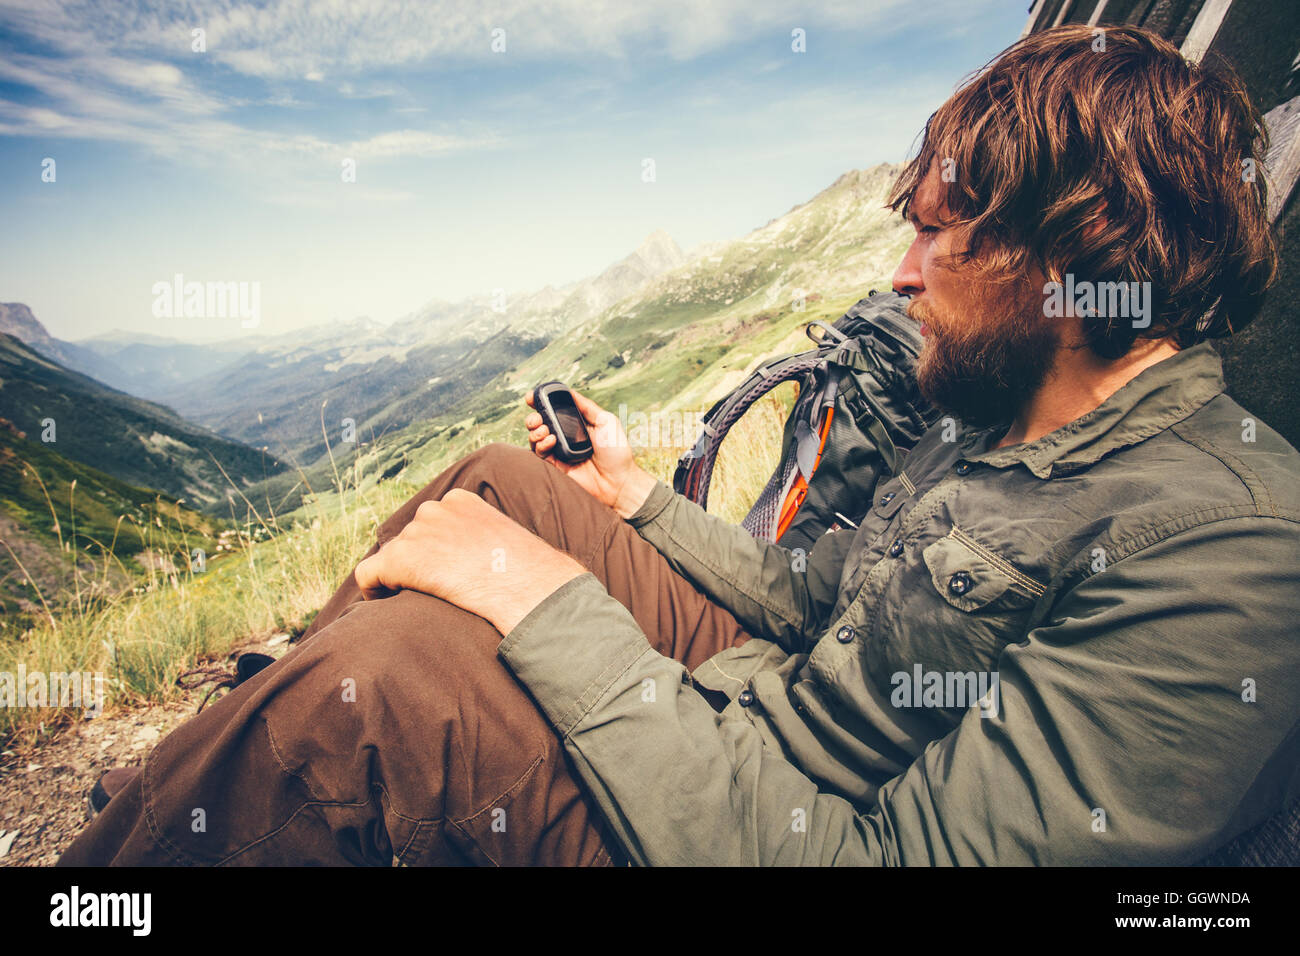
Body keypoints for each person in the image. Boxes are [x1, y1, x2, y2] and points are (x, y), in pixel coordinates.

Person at [60, 23, 1298, 866]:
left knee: (393, 675)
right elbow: (812, 598)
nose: (902, 275)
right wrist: (634, 497)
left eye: (939, 235)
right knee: (499, 487)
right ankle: (232, 780)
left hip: (780, 805)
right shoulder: (1002, 411)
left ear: (1074, 265)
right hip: (771, 698)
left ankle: (227, 800)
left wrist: (547, 609)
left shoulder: (1227, 552)